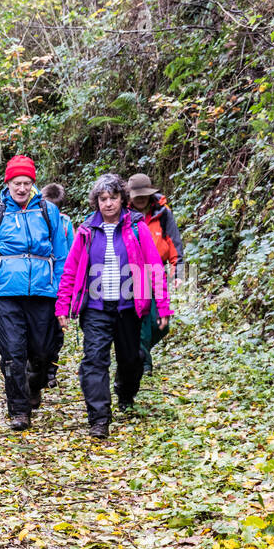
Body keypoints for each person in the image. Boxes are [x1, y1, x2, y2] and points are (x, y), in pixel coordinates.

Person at [56, 174, 173, 439]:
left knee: (131, 360)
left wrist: (163, 306)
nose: (108, 204)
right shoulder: (86, 231)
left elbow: (154, 267)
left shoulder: (136, 227)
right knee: (94, 361)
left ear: (123, 199)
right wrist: (63, 307)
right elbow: (71, 271)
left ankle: (125, 391)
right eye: (103, 199)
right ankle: (99, 418)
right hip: (95, 308)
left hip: (129, 306)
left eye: (113, 198)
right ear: (96, 201)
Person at [0, 155, 71, 430]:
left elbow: (62, 255)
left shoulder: (48, 212)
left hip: (42, 292)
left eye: (27, 183)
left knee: (42, 351)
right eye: (17, 182)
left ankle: (34, 385)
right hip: (4, 294)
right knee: (13, 354)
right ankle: (18, 409)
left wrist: (62, 294)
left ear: (33, 184)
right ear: (8, 183)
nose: (22, 188)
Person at [126, 173, 183, 374]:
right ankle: (144, 363)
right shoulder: (124, 214)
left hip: (157, 272)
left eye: (144, 194)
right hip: (131, 273)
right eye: (136, 195)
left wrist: (178, 272)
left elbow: (174, 243)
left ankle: (139, 351)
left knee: (161, 323)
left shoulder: (163, 213)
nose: (140, 199)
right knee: (141, 320)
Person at [41, 183, 76, 388]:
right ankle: (37, 366)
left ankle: (51, 370)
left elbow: (71, 253)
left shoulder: (65, 223)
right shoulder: (33, 218)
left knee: (56, 331)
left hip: (58, 283)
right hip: (40, 281)